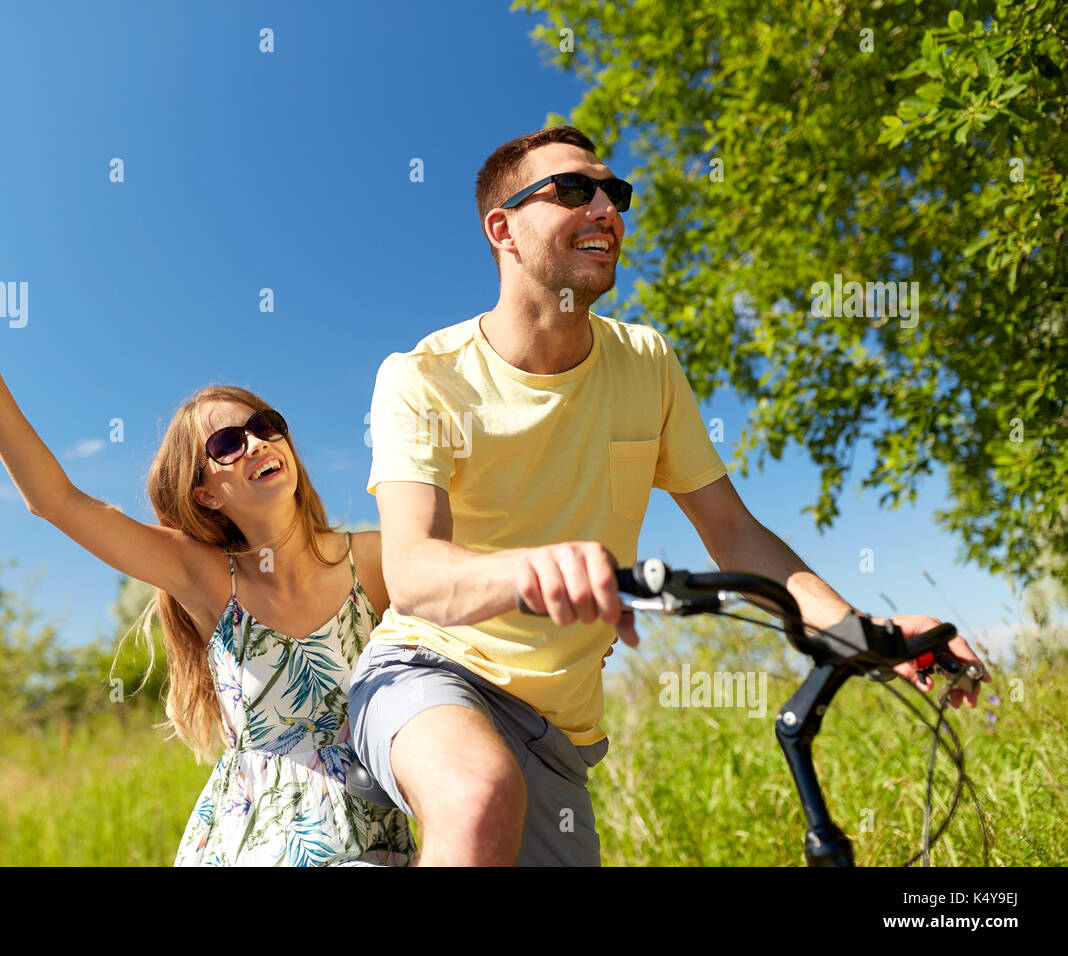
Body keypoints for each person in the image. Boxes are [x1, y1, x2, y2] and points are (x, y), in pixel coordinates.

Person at [347, 126, 990, 867]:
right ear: (503, 230)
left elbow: (732, 531)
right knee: (479, 793)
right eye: (573, 191)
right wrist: (530, 571)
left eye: (614, 195)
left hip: (558, 729)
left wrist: (861, 632)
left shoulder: (646, 361)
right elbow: (415, 573)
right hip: (428, 669)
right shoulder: (424, 376)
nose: (606, 210)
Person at [0, 245, 415, 867]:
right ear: (205, 494)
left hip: (371, 832)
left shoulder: (376, 560)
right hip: (255, 846)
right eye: (227, 442)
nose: (255, 443)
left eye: (265, 424)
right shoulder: (205, 577)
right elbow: (56, 501)